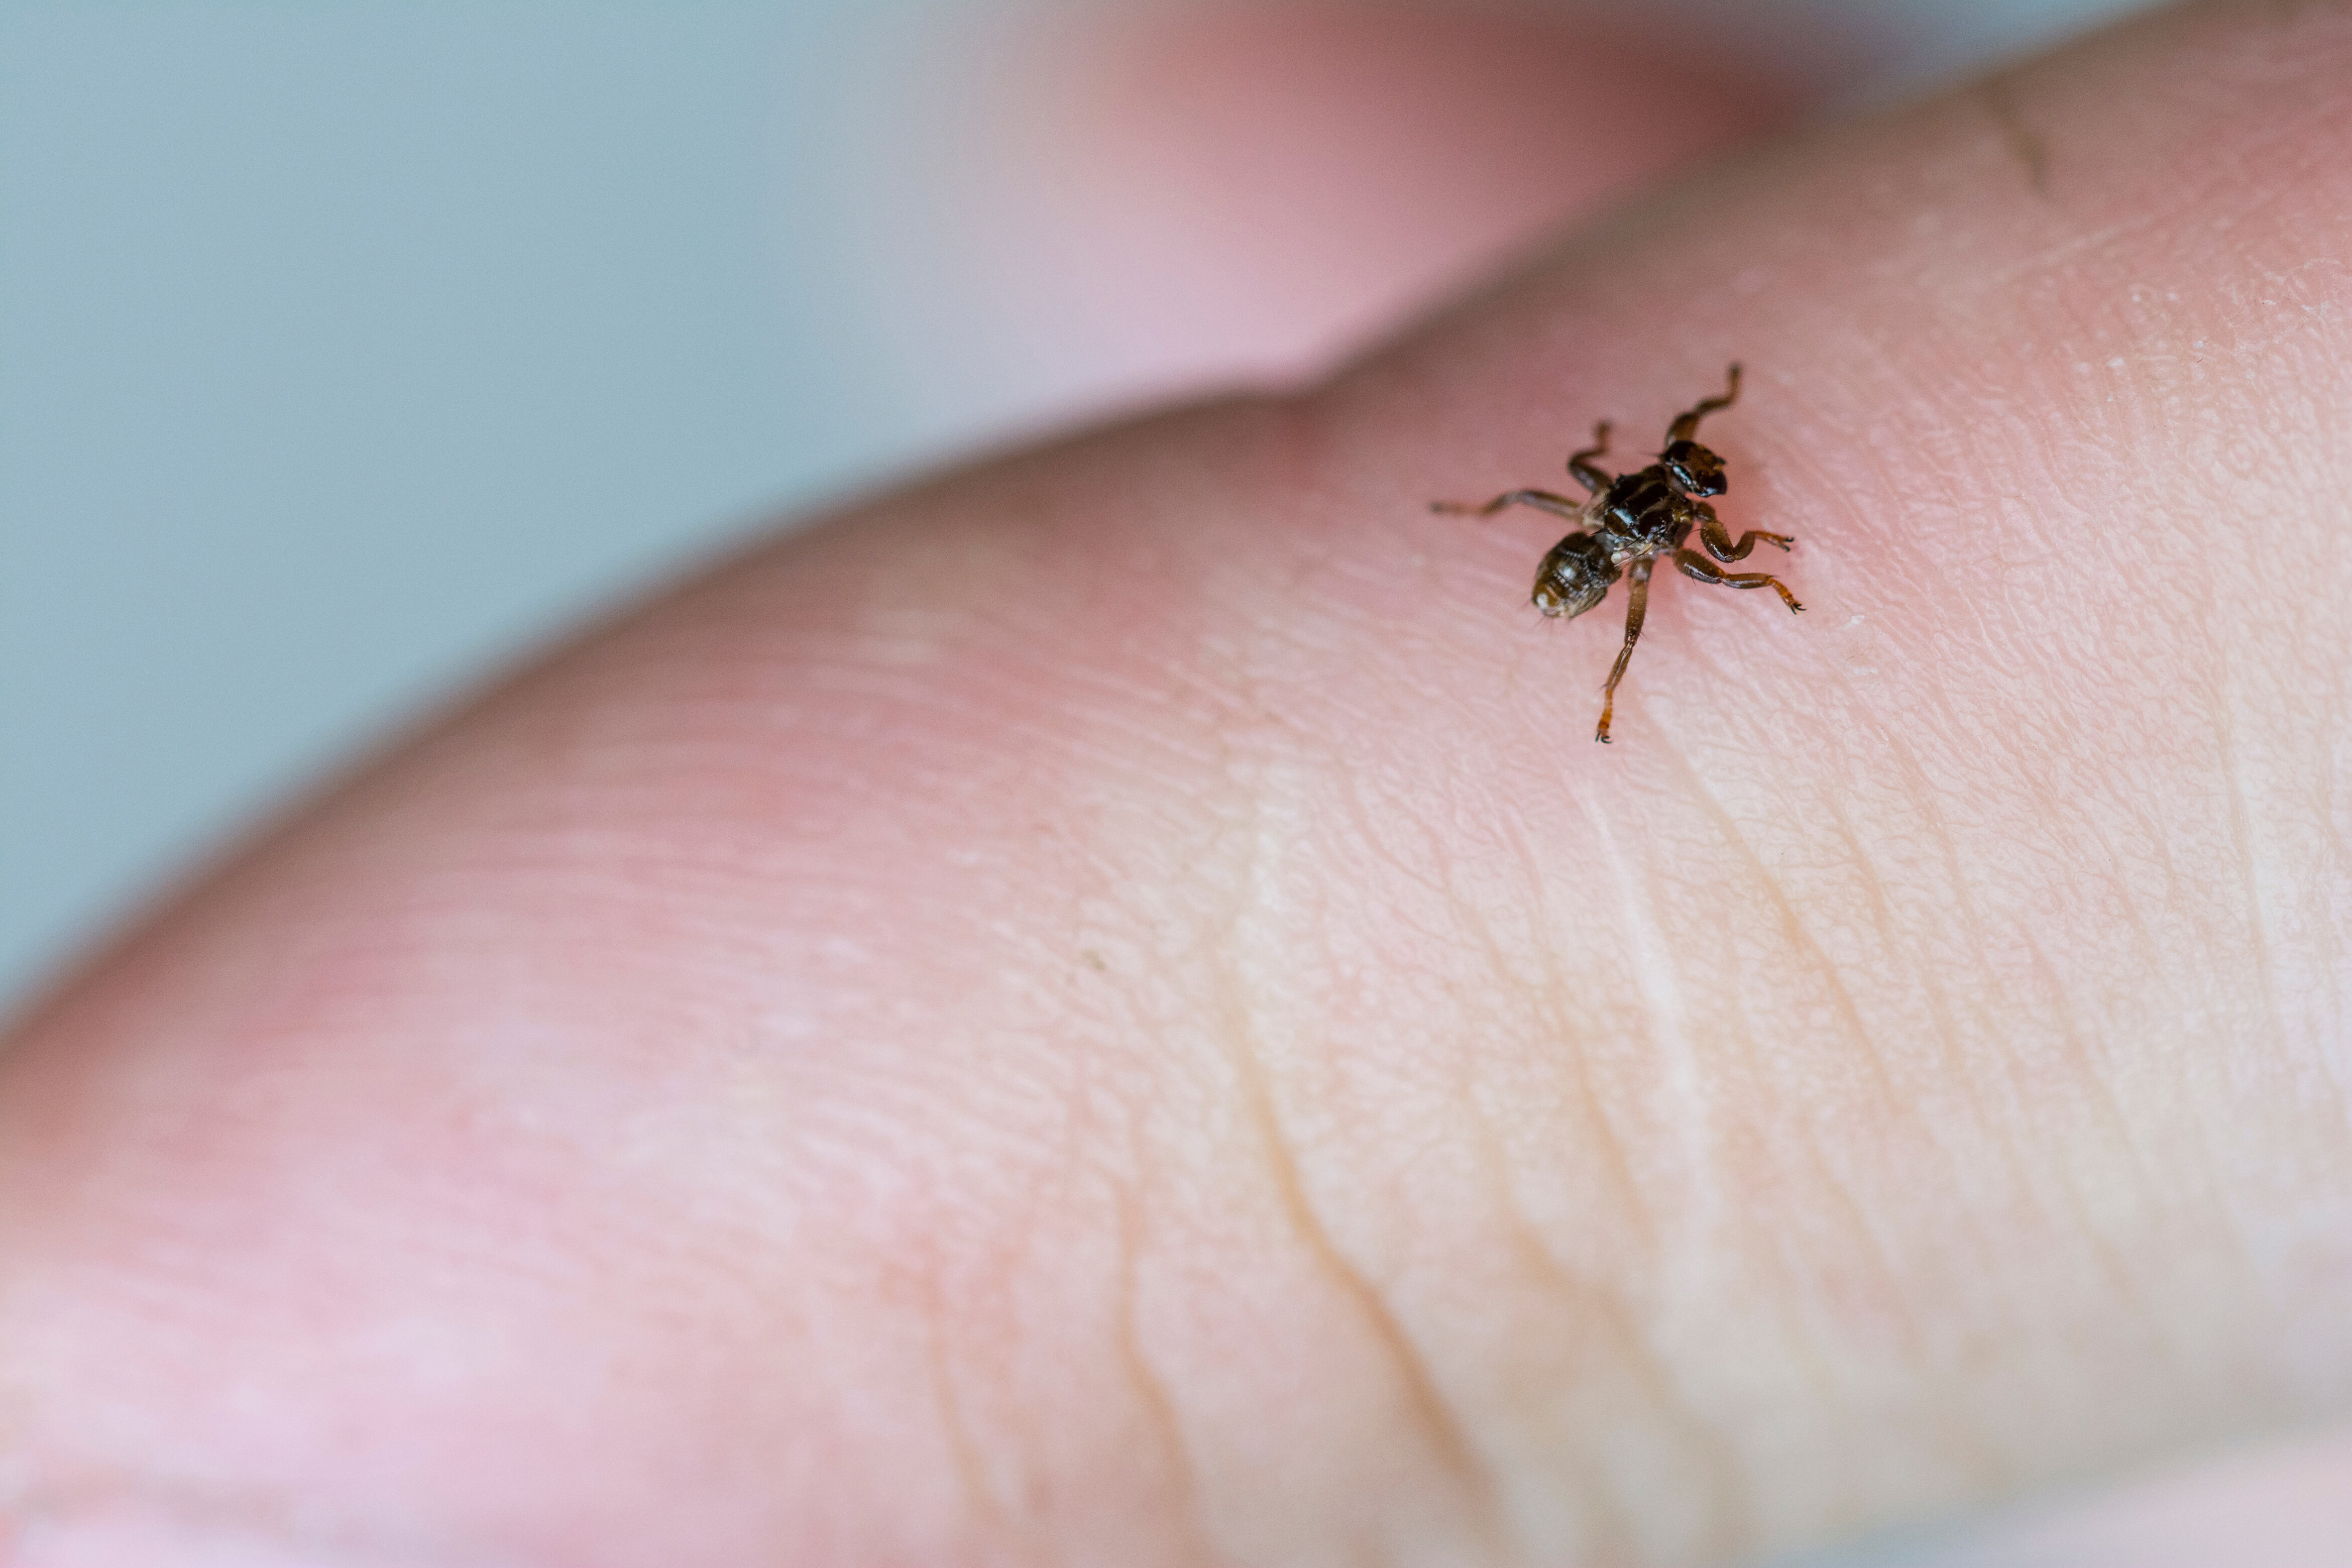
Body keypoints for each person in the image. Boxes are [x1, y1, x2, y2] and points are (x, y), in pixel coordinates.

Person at [5, 1, 2349, 1561]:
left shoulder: (1656, 509)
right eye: (1661, 491)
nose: (1657, 508)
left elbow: (1663, 500)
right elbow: (1635, 511)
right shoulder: (1631, 528)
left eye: (1664, 496)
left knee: (1222, 173)